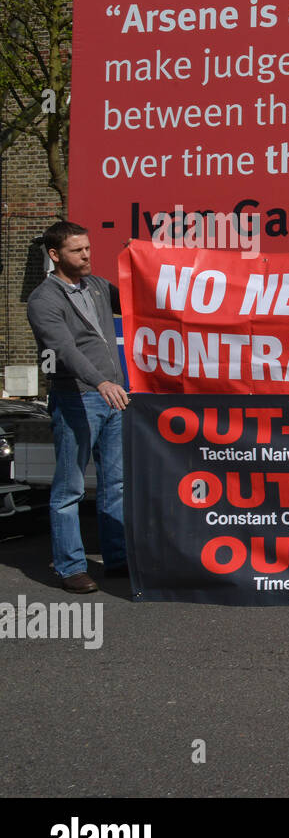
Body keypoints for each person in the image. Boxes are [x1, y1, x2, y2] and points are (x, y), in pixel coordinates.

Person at [26, 221, 129, 594]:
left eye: (87, 248)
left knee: (115, 483)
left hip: (112, 397)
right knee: (69, 488)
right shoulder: (44, 300)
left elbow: (136, 299)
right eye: (76, 250)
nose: (86, 256)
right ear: (55, 255)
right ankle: (71, 567)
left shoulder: (98, 287)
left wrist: (140, 259)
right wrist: (100, 382)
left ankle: (118, 560)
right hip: (77, 396)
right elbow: (64, 351)